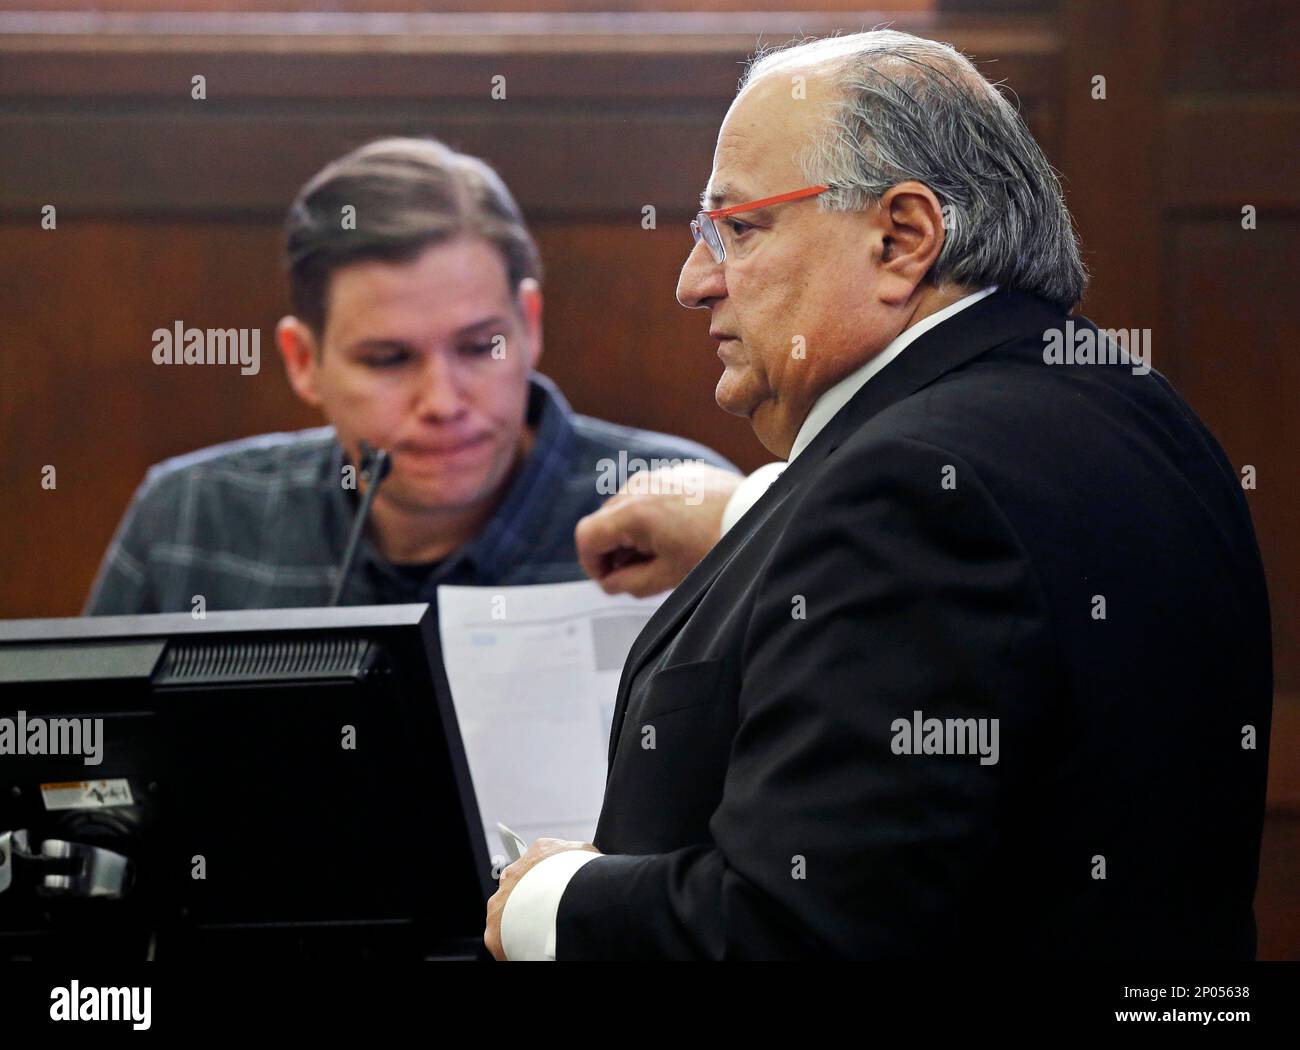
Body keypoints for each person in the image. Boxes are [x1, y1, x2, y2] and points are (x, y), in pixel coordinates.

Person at [487, 29, 1273, 960]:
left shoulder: (908, 495)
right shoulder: (1131, 406)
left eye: (738, 229)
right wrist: (746, 519)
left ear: (900, 238)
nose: (694, 282)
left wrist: (555, 903)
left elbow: (798, 932)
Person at [84, 137, 733, 614]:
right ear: (304, 362)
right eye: (388, 360)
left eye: (481, 347)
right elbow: (81, 785)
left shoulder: (684, 516)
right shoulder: (188, 523)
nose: (444, 402)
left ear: (529, 325)